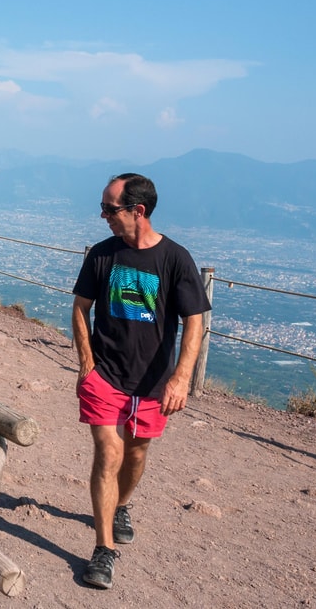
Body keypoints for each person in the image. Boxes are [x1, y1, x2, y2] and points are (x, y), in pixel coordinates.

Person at [71, 173, 211, 590]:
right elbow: (80, 308)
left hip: (152, 383)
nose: (102, 216)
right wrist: (86, 364)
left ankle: (121, 506)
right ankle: (103, 549)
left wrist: (181, 378)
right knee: (108, 451)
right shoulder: (101, 255)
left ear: (138, 211)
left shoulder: (175, 259)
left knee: (136, 454)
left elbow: (195, 322)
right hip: (105, 377)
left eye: (109, 209)